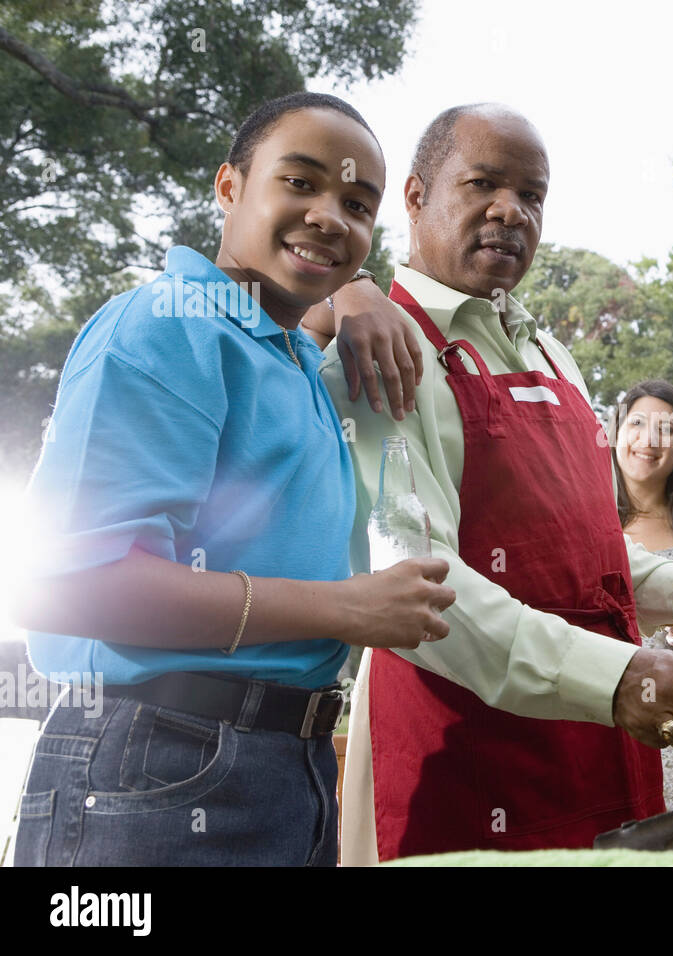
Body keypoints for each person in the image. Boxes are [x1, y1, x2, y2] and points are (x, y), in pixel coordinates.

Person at [303, 103, 673, 860]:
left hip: (601, 750)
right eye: (484, 183)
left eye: (532, 194)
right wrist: (615, 675)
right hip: (469, 762)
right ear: (417, 197)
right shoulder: (382, 349)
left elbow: (573, 545)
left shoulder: (551, 351)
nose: (510, 210)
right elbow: (418, 586)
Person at [11, 92, 456, 867]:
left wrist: (355, 295)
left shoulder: (282, 353)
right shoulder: (167, 325)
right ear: (228, 187)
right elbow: (74, 586)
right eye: (300, 183)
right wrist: (345, 608)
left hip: (288, 764)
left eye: (357, 203)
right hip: (159, 767)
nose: (329, 216)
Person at [611, 379, 673, 810]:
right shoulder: (590, 522)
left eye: (667, 429)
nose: (648, 440)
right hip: (607, 710)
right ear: (615, 432)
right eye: (636, 424)